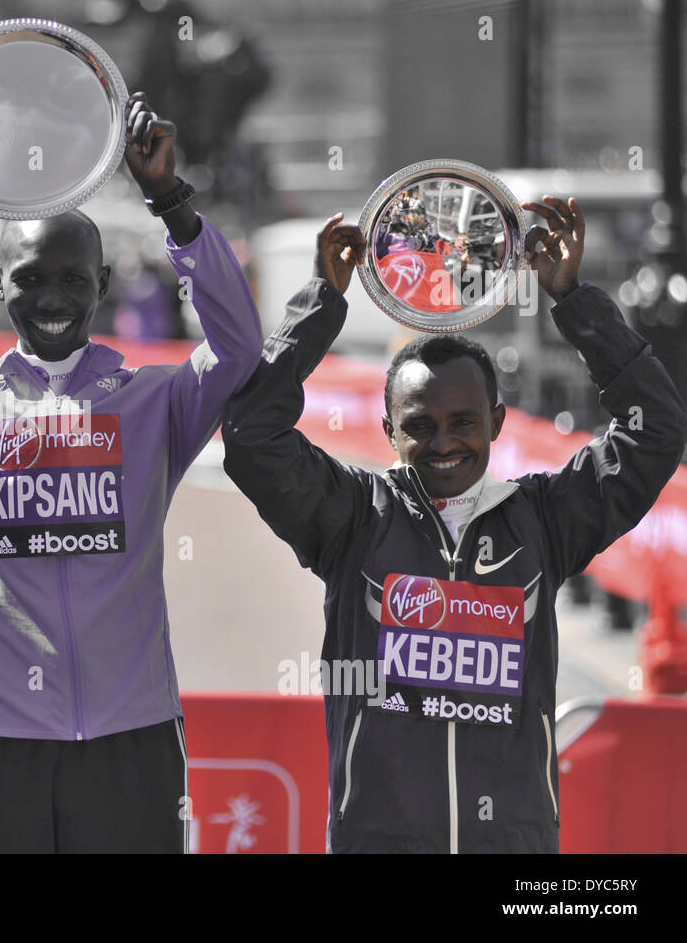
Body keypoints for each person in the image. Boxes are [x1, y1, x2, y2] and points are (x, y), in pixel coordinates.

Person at [0, 94, 262, 853]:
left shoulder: (153, 402)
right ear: (0, 284)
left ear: (102, 281)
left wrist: (170, 199)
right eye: (31, 280)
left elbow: (236, 350)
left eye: (73, 278)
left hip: (133, 737)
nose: (53, 298)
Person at [221, 198, 687, 853]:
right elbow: (248, 437)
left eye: (463, 421)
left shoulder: (544, 521)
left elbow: (657, 431)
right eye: (420, 425)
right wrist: (324, 300)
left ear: (497, 423)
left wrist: (574, 300)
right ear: (389, 432)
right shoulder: (353, 519)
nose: (444, 442)